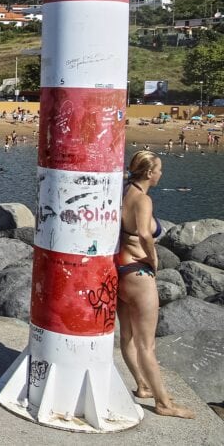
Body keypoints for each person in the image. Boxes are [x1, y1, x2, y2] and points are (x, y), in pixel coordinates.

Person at [116, 151, 194, 418]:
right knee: (147, 345)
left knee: (127, 336)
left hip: (121, 270)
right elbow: (144, 234)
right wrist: (153, 258)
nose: (161, 174)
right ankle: (163, 404)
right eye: (160, 169)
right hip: (139, 275)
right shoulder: (143, 199)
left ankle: (142, 385)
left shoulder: (124, 191)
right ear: (150, 173)